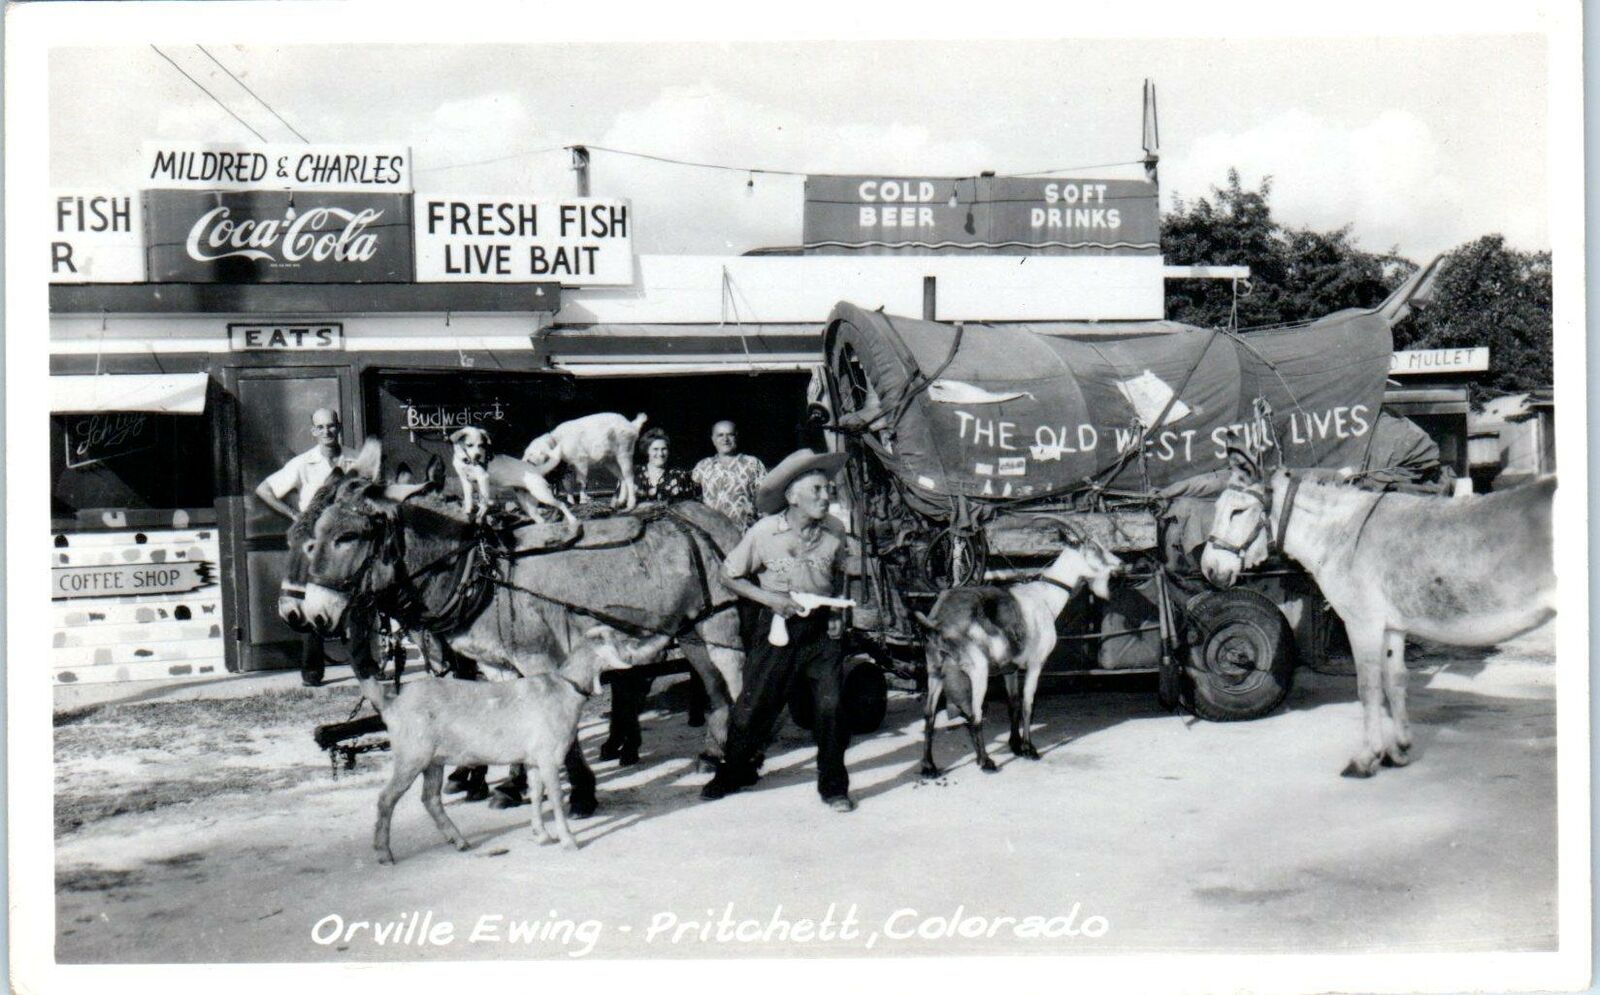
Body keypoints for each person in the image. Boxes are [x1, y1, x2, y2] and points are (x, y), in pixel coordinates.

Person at [701, 449, 856, 813]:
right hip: (777, 628)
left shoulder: (834, 529)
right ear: (792, 497)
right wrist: (768, 599)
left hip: (822, 630)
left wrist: (837, 610)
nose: (825, 496)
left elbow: (841, 572)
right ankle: (735, 773)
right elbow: (729, 575)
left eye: (827, 489)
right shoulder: (764, 532)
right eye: (817, 489)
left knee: (831, 706)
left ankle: (834, 787)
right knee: (753, 707)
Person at [255, 407, 353, 687]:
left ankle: (365, 664)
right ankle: (312, 671)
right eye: (320, 427)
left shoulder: (355, 458)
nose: (326, 432)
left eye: (331, 426)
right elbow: (265, 489)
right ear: (313, 432)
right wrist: (294, 515)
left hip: (347, 541)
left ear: (339, 427)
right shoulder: (303, 464)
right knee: (310, 601)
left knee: (357, 600)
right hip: (314, 543)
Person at [690, 420, 766, 530]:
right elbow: (694, 504)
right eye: (720, 435)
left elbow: (764, 499)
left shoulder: (753, 464)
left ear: (737, 437)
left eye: (730, 435)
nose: (725, 439)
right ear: (713, 439)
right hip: (713, 537)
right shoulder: (702, 466)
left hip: (746, 535)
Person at [633, 427, 698, 503]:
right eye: (655, 449)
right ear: (647, 450)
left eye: (664, 449)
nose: (660, 454)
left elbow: (690, 506)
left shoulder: (680, 476)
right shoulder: (634, 474)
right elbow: (620, 506)